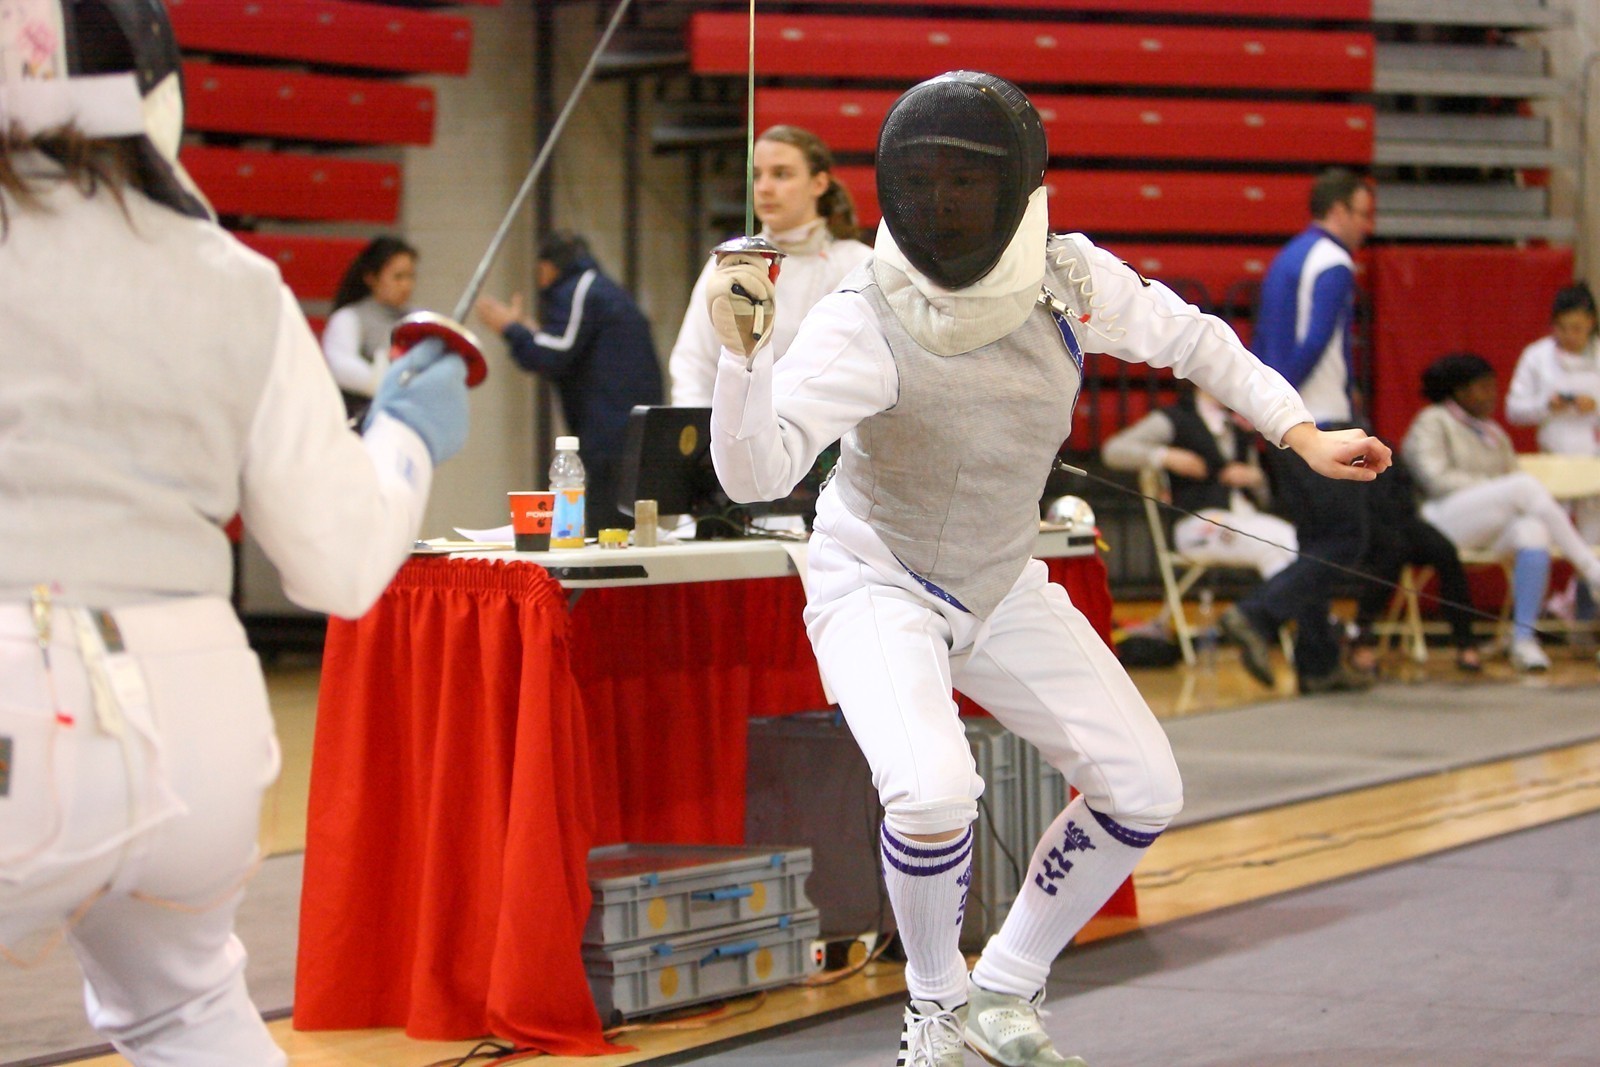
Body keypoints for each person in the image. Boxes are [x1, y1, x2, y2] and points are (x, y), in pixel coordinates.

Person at [703, 71, 1389, 1067]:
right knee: (934, 791)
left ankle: (1004, 991)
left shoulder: (1068, 276)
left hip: (999, 576)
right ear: (897, 187)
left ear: (1015, 188)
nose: (943, 202)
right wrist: (742, 361)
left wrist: (1298, 429)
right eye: (925, 181)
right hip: (875, 573)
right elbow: (753, 475)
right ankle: (934, 1010)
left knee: (1143, 787)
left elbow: (1195, 340)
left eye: (965, 182)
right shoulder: (864, 310)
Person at [0, 2, 469, 1064]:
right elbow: (343, 562)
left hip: (18, 705)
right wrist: (402, 437)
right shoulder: (231, 276)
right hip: (197, 728)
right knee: (186, 1012)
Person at [1217, 167, 1377, 694]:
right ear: (1337, 211)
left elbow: (1265, 337)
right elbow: (1317, 344)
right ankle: (1258, 614)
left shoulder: (1288, 258)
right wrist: (1289, 404)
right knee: (1347, 538)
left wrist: (1261, 404)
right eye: (1362, 213)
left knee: (1315, 541)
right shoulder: (1334, 262)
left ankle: (1316, 662)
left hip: (1283, 422)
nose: (1365, 225)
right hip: (1318, 420)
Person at [1402, 353, 1600, 672]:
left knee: (1533, 529)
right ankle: (1592, 570)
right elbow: (1433, 478)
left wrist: (1499, 492)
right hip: (1439, 522)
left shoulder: (1493, 432)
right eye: (1483, 388)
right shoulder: (1433, 421)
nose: (1492, 394)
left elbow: (1513, 488)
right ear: (1460, 391)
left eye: (1493, 387)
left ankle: (1523, 640)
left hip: (1487, 526)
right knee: (1522, 487)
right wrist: (1495, 488)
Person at [668, 124, 872, 406]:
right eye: (757, 175)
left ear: (819, 184)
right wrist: (700, 440)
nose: (764, 188)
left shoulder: (858, 264)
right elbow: (694, 363)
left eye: (781, 174)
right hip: (739, 435)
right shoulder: (732, 263)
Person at [475, 230, 663, 532]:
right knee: (620, 528)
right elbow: (566, 345)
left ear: (548, 267)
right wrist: (530, 332)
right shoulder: (598, 288)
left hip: (612, 432)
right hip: (628, 428)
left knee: (607, 529)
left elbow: (556, 353)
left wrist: (511, 329)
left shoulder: (580, 288)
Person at [1101, 387, 1298, 584]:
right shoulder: (1175, 418)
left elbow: (1263, 492)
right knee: (1268, 547)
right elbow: (1113, 450)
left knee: (1292, 541)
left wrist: (1255, 478)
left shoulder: (1239, 424)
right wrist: (1166, 456)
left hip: (1244, 515)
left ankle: (1269, 611)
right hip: (1195, 521)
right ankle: (1270, 611)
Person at [1506, 282, 1600, 624]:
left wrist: (1594, 406)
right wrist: (1548, 404)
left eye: (1576, 328)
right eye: (1561, 328)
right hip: (1550, 464)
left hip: (1593, 463)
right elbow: (1515, 409)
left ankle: (1584, 616)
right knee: (1543, 534)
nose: (1569, 335)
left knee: (1592, 542)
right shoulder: (1537, 356)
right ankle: (1531, 619)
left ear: (1591, 322)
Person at [1347, 452, 1483, 673]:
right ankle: (1362, 640)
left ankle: (1466, 642)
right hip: (1357, 518)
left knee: (1445, 551)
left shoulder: (1372, 437)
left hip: (1400, 516)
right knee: (1390, 554)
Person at [322, 234, 419, 424]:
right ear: (371, 278)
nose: (406, 285)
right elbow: (341, 366)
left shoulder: (418, 320)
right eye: (398, 277)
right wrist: (389, 384)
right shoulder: (348, 318)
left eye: (410, 277)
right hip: (360, 424)